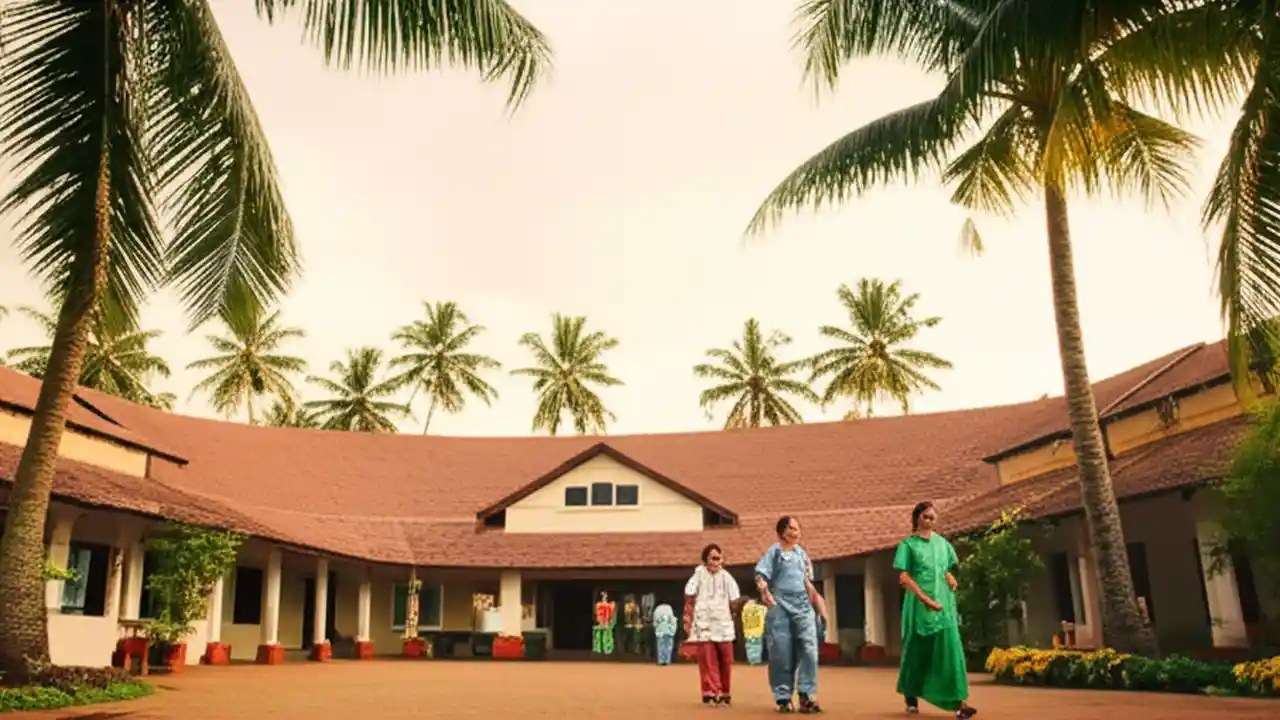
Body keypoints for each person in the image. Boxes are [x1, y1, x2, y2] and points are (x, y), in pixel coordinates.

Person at [894, 501, 977, 719]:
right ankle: (911, 692)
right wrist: (925, 599)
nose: (929, 520)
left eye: (932, 517)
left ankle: (959, 702)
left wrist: (950, 578)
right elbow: (904, 577)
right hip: (919, 605)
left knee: (951, 651)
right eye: (925, 517)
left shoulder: (943, 544)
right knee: (917, 651)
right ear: (917, 518)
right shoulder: (908, 545)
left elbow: (945, 569)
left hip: (944, 605)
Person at [755, 515, 826, 713]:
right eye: (792, 529)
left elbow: (807, 582)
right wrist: (765, 592)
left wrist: (818, 604)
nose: (796, 532)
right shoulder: (775, 552)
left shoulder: (801, 554)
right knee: (781, 651)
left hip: (802, 605)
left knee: (809, 649)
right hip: (780, 606)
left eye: (797, 528)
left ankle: (806, 694)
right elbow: (761, 576)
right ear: (782, 532)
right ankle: (783, 696)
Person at [684, 542, 743, 706]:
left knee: (726, 660)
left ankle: (724, 692)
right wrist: (689, 619)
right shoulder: (699, 575)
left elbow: (735, 600)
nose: (716, 562)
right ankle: (710, 691)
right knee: (708, 661)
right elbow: (689, 595)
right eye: (712, 558)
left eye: (718, 558)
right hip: (704, 624)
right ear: (706, 560)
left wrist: (732, 614)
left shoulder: (727, 577)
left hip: (723, 624)